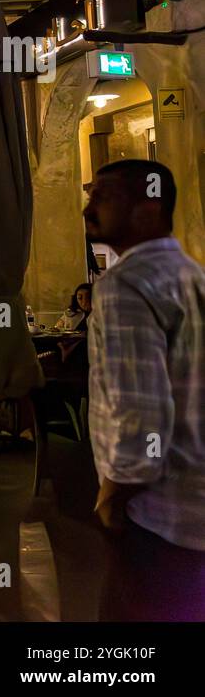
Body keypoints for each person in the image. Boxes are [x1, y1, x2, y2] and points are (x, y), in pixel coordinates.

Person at [82, 159, 204, 620]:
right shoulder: (193, 276)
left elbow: (141, 414)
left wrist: (112, 499)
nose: (88, 209)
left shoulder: (123, 287)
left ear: (147, 210)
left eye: (103, 198)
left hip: (158, 514)